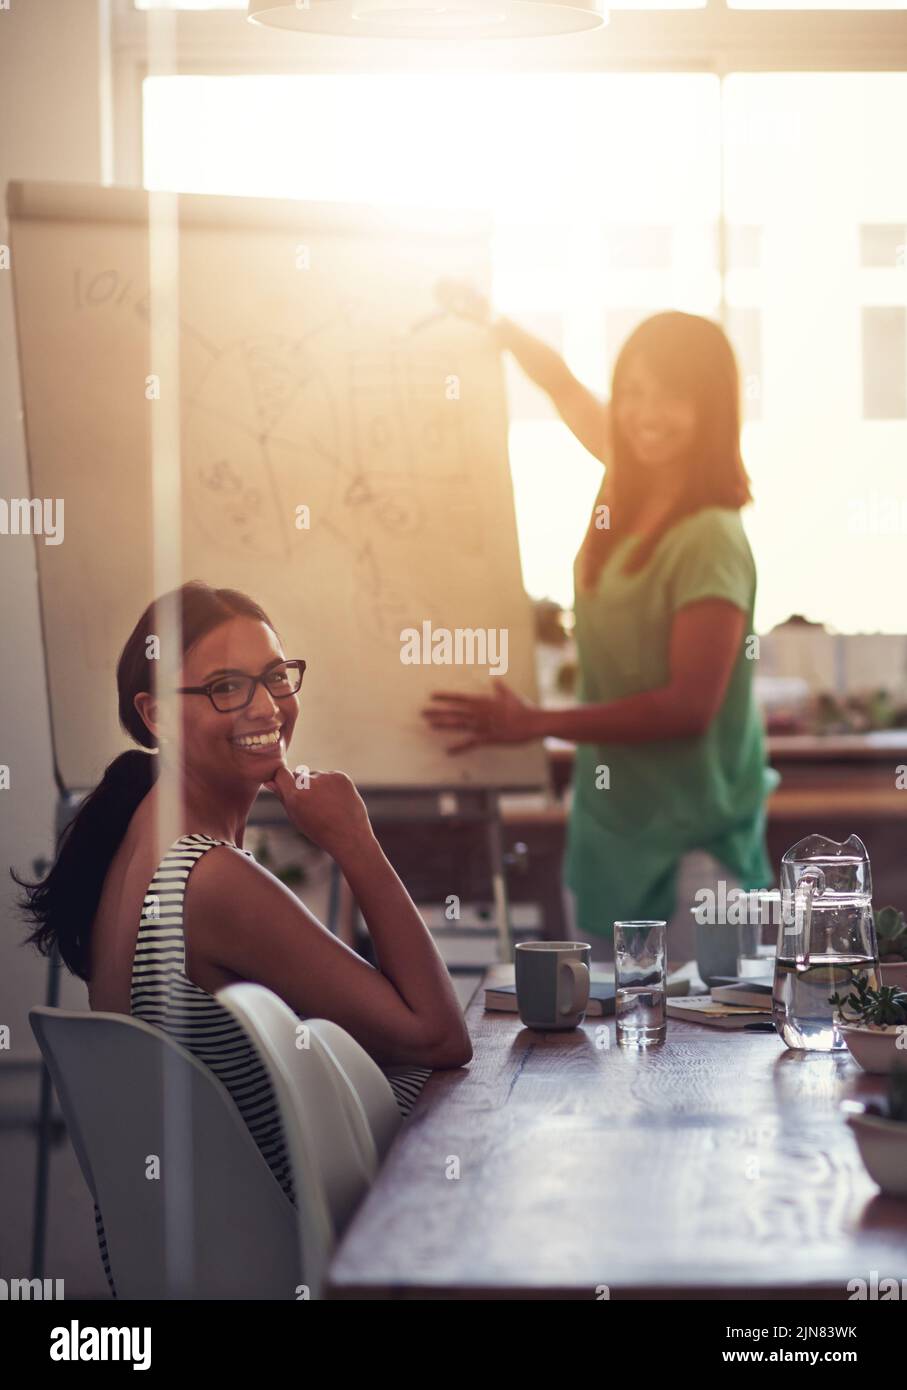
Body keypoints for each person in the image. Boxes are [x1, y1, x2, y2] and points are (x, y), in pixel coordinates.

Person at [16, 581, 471, 1294]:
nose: (265, 707)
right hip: (284, 1256)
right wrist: (356, 843)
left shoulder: (143, 837)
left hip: (205, 1254)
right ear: (156, 714)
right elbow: (441, 1036)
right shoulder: (209, 880)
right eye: (225, 687)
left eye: (275, 676)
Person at [423, 291, 777, 964]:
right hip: (610, 834)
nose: (645, 416)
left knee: (702, 1056)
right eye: (634, 392)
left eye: (671, 397)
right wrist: (494, 323)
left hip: (693, 850)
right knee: (613, 1054)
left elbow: (688, 708)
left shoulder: (710, 536)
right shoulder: (626, 470)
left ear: (710, 407)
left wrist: (536, 723)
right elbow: (558, 382)